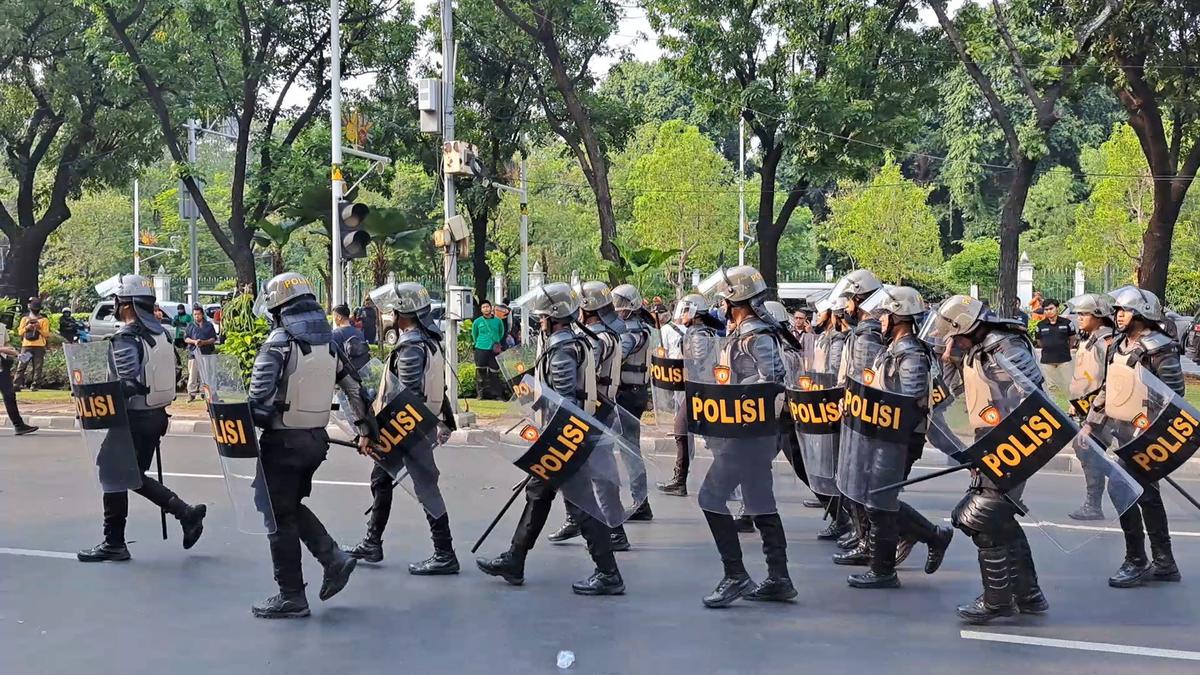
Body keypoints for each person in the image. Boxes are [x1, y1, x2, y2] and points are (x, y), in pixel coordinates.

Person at [476, 282, 626, 596]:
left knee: (581, 503)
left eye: (542, 315)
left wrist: (550, 440)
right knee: (538, 494)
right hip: (568, 436)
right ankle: (515, 559)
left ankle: (608, 572)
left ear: (553, 316)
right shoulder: (573, 340)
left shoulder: (561, 348)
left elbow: (564, 399)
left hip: (564, 438)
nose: (539, 319)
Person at [246, 272, 379, 619]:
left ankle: (291, 594)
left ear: (278, 307)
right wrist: (364, 429)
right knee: (286, 506)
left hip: (282, 442)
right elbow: (356, 390)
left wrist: (238, 417)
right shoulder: (330, 344)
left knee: (276, 514)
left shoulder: (279, 342)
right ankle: (333, 558)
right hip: (316, 442)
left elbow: (257, 401)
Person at [922, 295, 1048, 623]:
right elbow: (962, 392)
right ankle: (1029, 595)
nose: (949, 340)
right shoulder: (978, 350)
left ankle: (997, 601)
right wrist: (949, 361)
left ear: (965, 327)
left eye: (952, 334)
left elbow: (1031, 396)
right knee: (999, 521)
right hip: (991, 445)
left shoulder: (1005, 346)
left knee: (980, 519)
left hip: (1014, 443)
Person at [77, 275, 207, 562]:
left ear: (128, 305)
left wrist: (94, 397)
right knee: (131, 475)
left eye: (118, 301)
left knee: (111, 473)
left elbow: (129, 383)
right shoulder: (162, 334)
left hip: (133, 418)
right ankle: (186, 513)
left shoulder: (128, 337)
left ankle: (114, 542)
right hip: (156, 415)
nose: (115, 305)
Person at [693, 265, 795, 608]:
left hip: (748, 434)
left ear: (736, 300)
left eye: (723, 298)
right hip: (748, 432)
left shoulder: (755, 335)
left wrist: (735, 393)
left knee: (709, 497)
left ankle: (735, 575)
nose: (720, 304)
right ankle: (779, 578)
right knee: (760, 501)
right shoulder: (744, 332)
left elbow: (773, 377)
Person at [344, 281, 459, 575]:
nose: (389, 314)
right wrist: (445, 420)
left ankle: (445, 553)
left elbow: (408, 397)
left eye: (393, 310)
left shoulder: (410, 345)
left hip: (407, 430)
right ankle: (372, 542)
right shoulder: (428, 340)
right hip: (412, 428)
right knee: (380, 480)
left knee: (426, 488)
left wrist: (375, 434)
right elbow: (436, 387)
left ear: (403, 314)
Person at [846, 286, 953, 589]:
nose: (880, 321)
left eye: (885, 316)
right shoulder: (893, 349)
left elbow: (907, 402)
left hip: (899, 438)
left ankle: (884, 570)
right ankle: (932, 536)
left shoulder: (911, 355)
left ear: (899, 317)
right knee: (879, 498)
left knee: (879, 501)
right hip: (883, 434)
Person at [1087, 286, 1183, 589]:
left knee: (1122, 489)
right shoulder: (1117, 345)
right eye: (1117, 311)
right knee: (1147, 495)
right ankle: (1164, 562)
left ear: (1142, 313)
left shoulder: (1159, 347)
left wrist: (1150, 433)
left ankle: (1137, 561)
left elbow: (1173, 396)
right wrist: (1090, 424)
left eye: (1125, 311)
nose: (1118, 316)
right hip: (1121, 431)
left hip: (1146, 435)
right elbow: (1109, 388)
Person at [549, 281, 631, 550]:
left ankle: (615, 530)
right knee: (573, 470)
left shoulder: (597, 338)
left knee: (600, 472)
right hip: (599, 409)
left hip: (593, 412)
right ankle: (577, 518)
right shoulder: (605, 334)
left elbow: (582, 373)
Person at [832, 269, 886, 567]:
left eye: (850, 300)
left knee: (862, 479)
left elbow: (863, 380)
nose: (846, 306)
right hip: (856, 412)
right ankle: (862, 533)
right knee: (854, 476)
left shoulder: (869, 334)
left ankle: (870, 541)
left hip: (863, 415)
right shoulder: (864, 331)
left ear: (860, 299)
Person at [656, 294, 720, 496]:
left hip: (700, 388)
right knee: (689, 432)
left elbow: (697, 360)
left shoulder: (698, 333)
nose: (682, 314)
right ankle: (680, 479)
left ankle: (682, 480)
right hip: (701, 388)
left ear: (693, 311)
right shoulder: (699, 331)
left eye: (685, 310)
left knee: (702, 435)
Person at [1065, 293, 1116, 521]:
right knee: (1086, 451)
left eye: (1084, 314)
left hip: (1102, 412)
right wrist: (1073, 403)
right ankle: (1095, 503)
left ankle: (1096, 502)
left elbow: (1110, 382)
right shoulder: (1090, 339)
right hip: (1086, 408)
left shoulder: (1107, 342)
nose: (1079, 318)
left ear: (1099, 315)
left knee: (1087, 449)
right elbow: (1084, 377)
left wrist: (1094, 416)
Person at [612, 283, 654, 521]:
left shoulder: (632, 331)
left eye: (619, 305)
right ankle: (640, 501)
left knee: (628, 449)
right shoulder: (632, 328)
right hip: (630, 391)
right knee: (625, 448)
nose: (616, 310)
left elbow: (618, 353)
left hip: (628, 393)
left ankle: (640, 502)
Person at [0, 325, 37, 435]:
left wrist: (15, 352)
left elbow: (6, 344)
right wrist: (3, 349)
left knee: (9, 395)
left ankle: (19, 425)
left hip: (2, 366)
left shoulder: (1, 327)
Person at [1034, 299, 1075, 395]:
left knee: (1068, 385)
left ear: (1057, 308)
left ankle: (1070, 407)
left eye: (1051, 308)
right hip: (1047, 361)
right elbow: (1039, 341)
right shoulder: (1040, 325)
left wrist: (1065, 349)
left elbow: (1072, 338)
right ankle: (1056, 406)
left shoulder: (1067, 323)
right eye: (1046, 309)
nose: (1048, 311)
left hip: (1064, 360)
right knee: (1052, 388)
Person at [471, 301, 506, 400]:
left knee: (494, 372)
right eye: (483, 307)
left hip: (494, 349)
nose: (486, 308)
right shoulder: (477, 322)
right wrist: (479, 343)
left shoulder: (498, 321)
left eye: (487, 307)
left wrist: (496, 342)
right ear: (481, 310)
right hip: (481, 348)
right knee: (480, 372)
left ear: (491, 308)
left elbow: (501, 332)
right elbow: (474, 334)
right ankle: (480, 394)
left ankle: (497, 395)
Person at [184, 305, 218, 402]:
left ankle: (204, 392)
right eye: (195, 314)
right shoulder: (190, 325)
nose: (197, 316)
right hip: (193, 353)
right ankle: (191, 393)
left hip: (206, 353)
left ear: (202, 314)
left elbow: (213, 338)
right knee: (192, 375)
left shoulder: (209, 325)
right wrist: (194, 342)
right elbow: (186, 338)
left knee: (206, 375)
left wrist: (204, 342)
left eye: (198, 314)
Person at [13, 300, 49, 391]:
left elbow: (46, 334)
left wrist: (39, 328)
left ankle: (35, 385)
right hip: (27, 346)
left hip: (39, 346)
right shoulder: (25, 319)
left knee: (37, 367)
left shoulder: (44, 320)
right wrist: (27, 327)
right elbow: (20, 333)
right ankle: (16, 385)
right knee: (22, 365)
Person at [331, 304, 371, 373]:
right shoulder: (359, 333)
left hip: (344, 376)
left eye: (334, 316)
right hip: (360, 373)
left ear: (339, 317)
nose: (333, 319)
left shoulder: (335, 334)